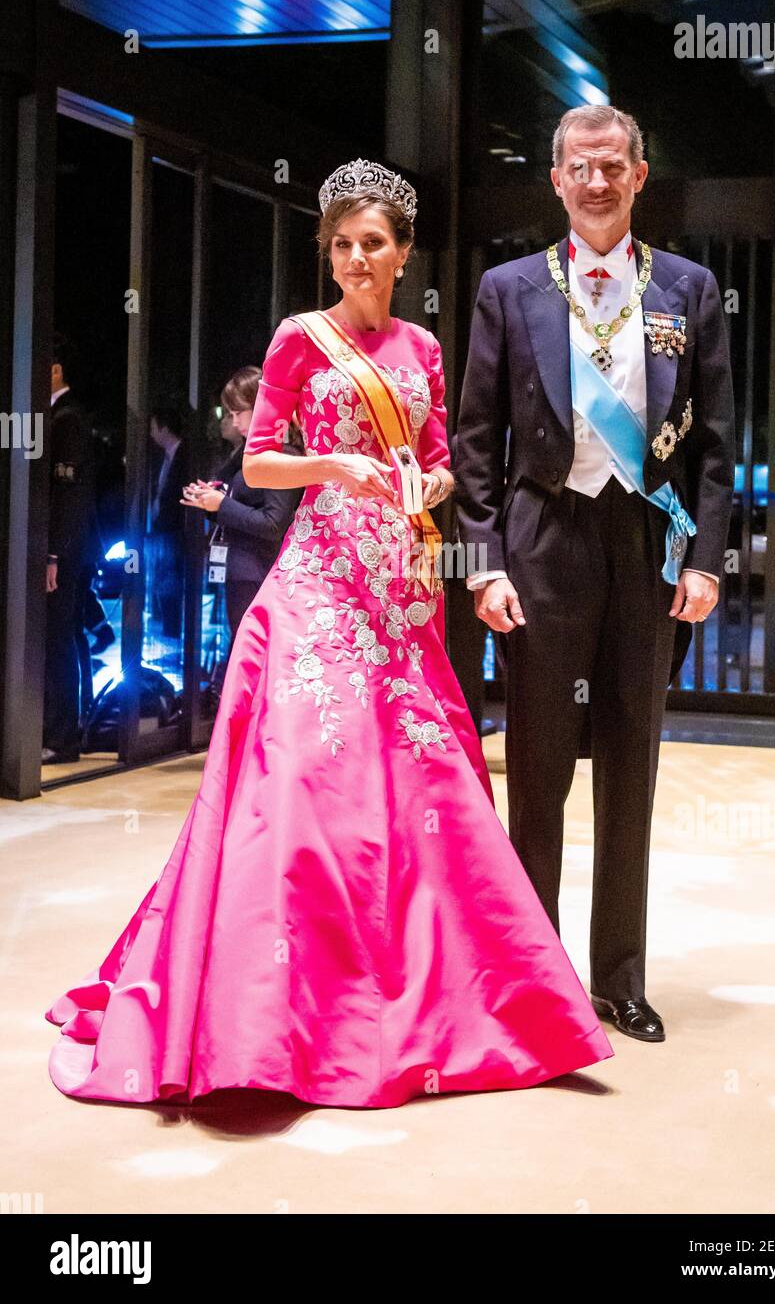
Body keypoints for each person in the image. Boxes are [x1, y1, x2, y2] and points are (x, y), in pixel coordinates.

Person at [43, 158, 613, 1109]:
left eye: (373, 245)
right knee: (308, 775)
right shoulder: (299, 342)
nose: (356, 261)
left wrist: (429, 485)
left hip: (400, 585)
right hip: (317, 580)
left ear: (402, 254)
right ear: (329, 253)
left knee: (422, 780)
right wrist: (334, 466)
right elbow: (259, 465)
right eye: (341, 246)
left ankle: (433, 999)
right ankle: (277, 1012)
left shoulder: (426, 350)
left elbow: (437, 463)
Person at [454, 104, 736, 1044]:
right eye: (581, 167)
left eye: (614, 166)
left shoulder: (690, 290)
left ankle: (619, 977)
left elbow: (717, 450)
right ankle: (537, 981)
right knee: (537, 773)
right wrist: (483, 567)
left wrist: (704, 559)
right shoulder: (509, 288)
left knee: (631, 767)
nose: (599, 181)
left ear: (640, 176)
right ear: (557, 179)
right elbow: (475, 442)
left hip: (648, 548)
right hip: (542, 547)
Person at [180, 366, 301, 642]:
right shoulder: (256, 453)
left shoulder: (281, 453)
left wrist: (221, 504)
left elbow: (273, 523)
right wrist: (212, 501)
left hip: (259, 574)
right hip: (246, 571)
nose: (234, 422)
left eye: (238, 413)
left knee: (252, 657)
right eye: (230, 414)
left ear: (260, 407)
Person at [43, 333, 101, 765]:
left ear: (56, 370)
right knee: (65, 639)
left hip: (66, 550)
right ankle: (64, 732)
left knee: (60, 641)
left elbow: (70, 496)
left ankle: (63, 737)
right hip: (68, 548)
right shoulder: (62, 417)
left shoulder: (68, 420)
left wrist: (55, 554)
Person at [148, 406, 188, 642]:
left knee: (169, 577)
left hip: (174, 531)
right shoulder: (166, 456)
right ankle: (169, 627)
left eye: (154, 427)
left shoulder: (183, 455)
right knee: (165, 576)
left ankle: (172, 629)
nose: (151, 433)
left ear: (164, 428)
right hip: (164, 529)